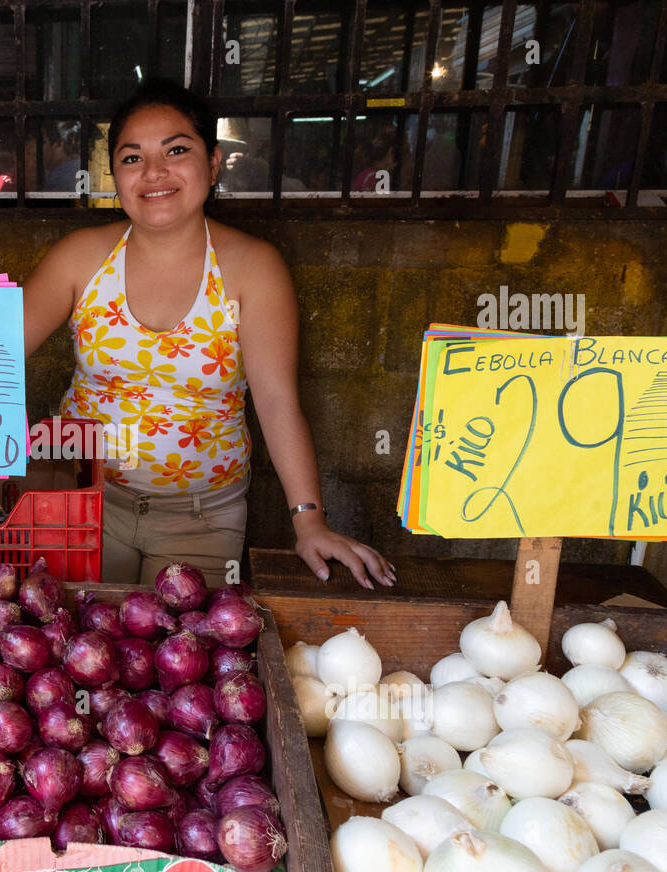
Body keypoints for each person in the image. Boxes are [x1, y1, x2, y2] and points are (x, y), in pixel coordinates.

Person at [22, 79, 395, 590]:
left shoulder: (253, 268)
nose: (154, 172)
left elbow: (276, 400)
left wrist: (309, 520)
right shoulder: (80, 257)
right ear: (115, 174)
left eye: (177, 150)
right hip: (81, 503)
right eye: (132, 158)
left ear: (214, 163)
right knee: (74, 651)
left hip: (203, 518)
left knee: (182, 656)